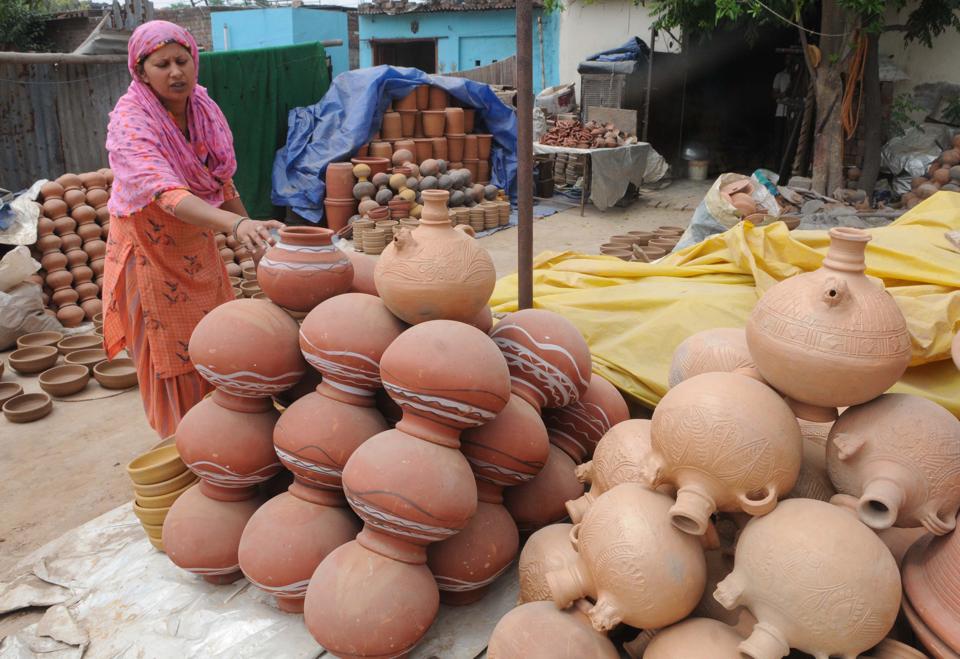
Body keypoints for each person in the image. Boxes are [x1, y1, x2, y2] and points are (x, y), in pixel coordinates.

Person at [102, 20, 283, 437]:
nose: (175, 72)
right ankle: (186, 445)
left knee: (216, 342)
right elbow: (165, 193)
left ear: (195, 62)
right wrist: (235, 225)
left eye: (182, 60)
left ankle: (225, 437)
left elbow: (219, 179)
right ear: (141, 70)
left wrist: (253, 235)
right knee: (173, 360)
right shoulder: (130, 121)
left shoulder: (202, 109)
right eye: (161, 64)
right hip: (150, 254)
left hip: (196, 246)